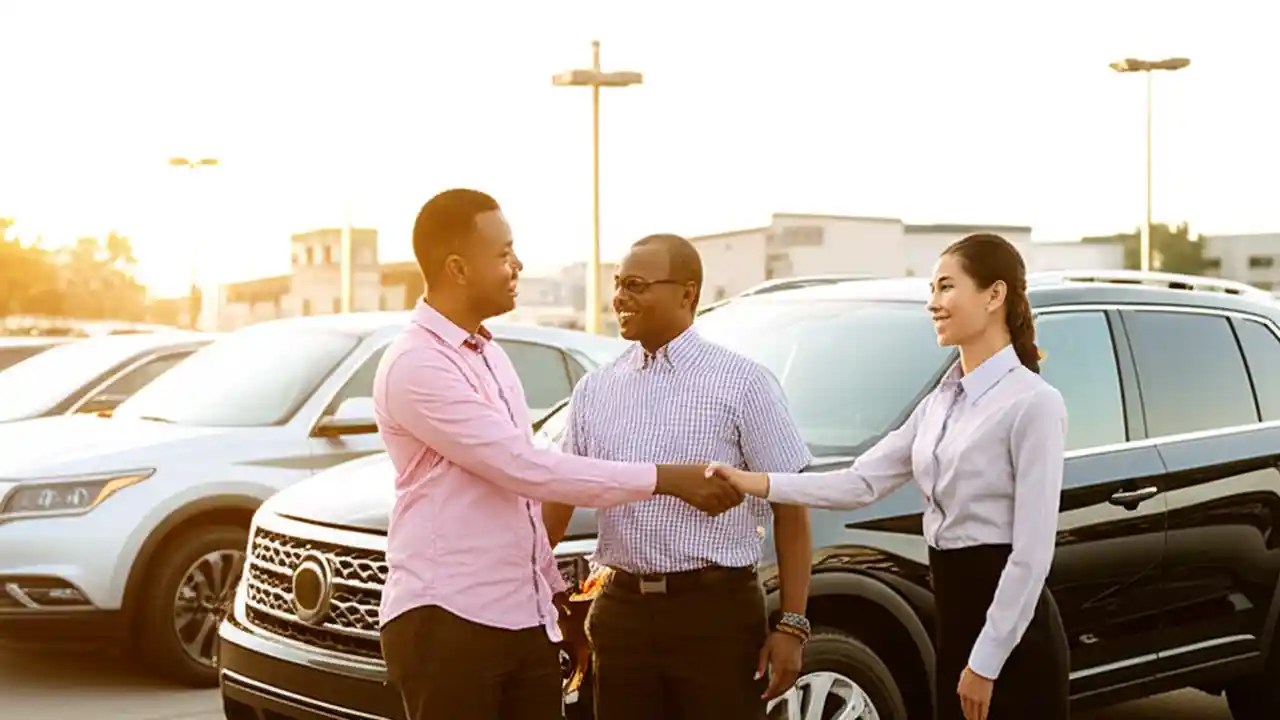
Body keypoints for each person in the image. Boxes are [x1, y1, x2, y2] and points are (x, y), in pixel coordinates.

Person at [373, 190, 744, 720]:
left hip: (520, 618)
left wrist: (553, 595)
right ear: (457, 268)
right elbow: (525, 470)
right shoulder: (416, 364)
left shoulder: (490, 355)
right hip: (448, 620)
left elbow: (517, 501)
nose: (516, 265)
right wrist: (667, 478)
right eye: (503, 254)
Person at [710, 233, 1071, 720]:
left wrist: (985, 664)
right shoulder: (941, 402)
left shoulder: (1034, 403)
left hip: (1013, 634)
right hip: (956, 617)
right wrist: (757, 482)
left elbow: (1030, 556)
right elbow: (860, 482)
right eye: (931, 290)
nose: (933, 304)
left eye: (946, 288)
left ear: (994, 295)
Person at [543, 234, 816, 720]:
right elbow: (563, 493)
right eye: (618, 283)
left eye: (637, 284)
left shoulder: (743, 383)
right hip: (621, 614)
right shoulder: (595, 389)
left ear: (687, 294)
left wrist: (791, 625)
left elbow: (790, 505)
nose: (620, 297)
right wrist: (532, 582)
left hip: (715, 616)